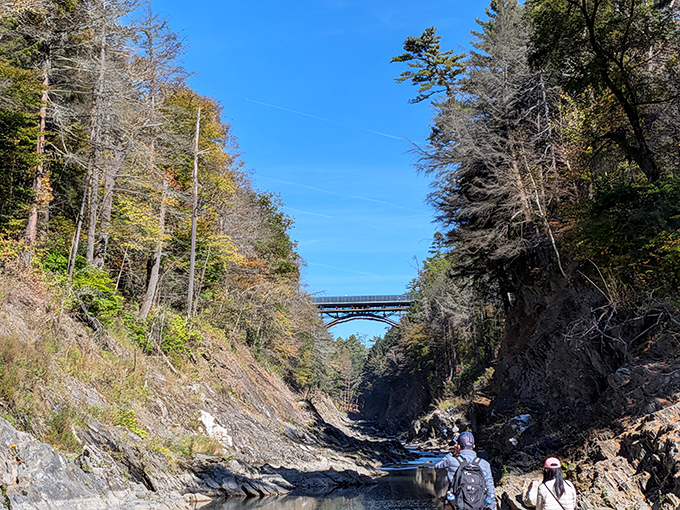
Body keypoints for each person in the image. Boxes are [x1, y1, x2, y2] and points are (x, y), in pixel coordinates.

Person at [435, 431, 495, 509]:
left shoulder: (451, 461)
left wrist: (452, 454)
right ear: (473, 446)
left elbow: (438, 468)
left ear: (459, 447)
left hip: (456, 506)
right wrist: (491, 507)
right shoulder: (484, 464)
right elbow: (490, 489)